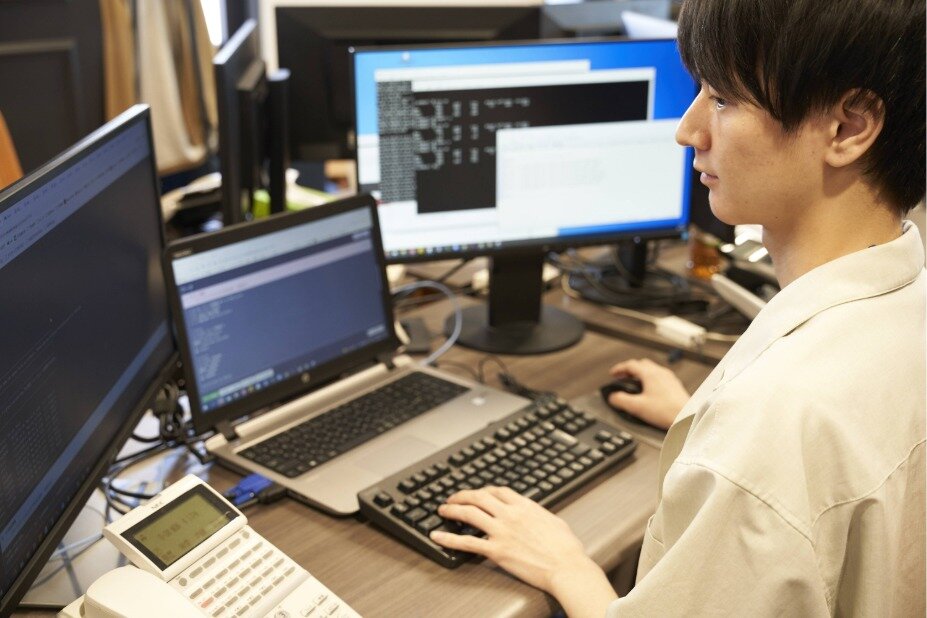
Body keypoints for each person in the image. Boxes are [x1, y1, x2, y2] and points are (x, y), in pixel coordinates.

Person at [430, 0, 926, 615]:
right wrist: (707, 425)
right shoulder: (904, 303)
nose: (688, 130)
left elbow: (782, 451)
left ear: (848, 128)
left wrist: (566, 566)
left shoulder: (776, 421)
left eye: (723, 99)